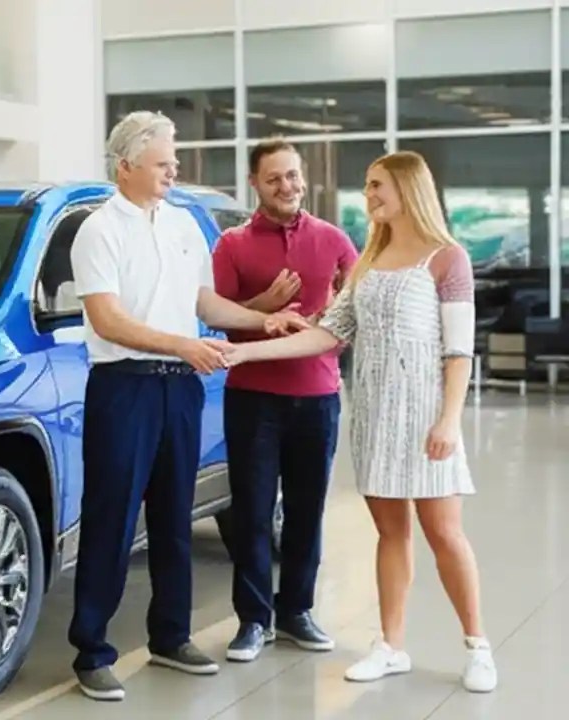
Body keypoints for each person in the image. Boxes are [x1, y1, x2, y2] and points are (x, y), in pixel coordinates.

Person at [222, 151, 497, 693]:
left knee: (444, 534)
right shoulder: (371, 259)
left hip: (425, 421)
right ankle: (391, 645)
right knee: (389, 534)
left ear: (407, 190)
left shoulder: (448, 258)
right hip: (374, 417)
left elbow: (459, 352)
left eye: (376, 187)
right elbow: (329, 332)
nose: (367, 196)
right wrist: (244, 354)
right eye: (368, 186)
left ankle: (478, 645)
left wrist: (448, 421)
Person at [67, 111, 309, 702]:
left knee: (176, 514)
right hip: (125, 388)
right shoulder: (98, 231)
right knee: (113, 518)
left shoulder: (181, 224)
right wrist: (186, 345)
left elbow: (204, 301)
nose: (174, 169)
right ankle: (92, 650)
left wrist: (262, 320)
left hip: (181, 387)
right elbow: (107, 319)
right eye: (163, 162)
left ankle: (171, 636)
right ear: (126, 167)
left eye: (174, 160)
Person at [211, 139, 359, 663]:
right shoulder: (232, 244)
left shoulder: (335, 240)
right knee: (250, 512)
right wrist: (262, 306)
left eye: (293, 176)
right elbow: (216, 318)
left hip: (318, 398)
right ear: (255, 183)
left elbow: (354, 307)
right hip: (253, 399)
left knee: (305, 510)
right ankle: (254, 621)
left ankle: (296, 611)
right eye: (275, 178)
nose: (288, 186)